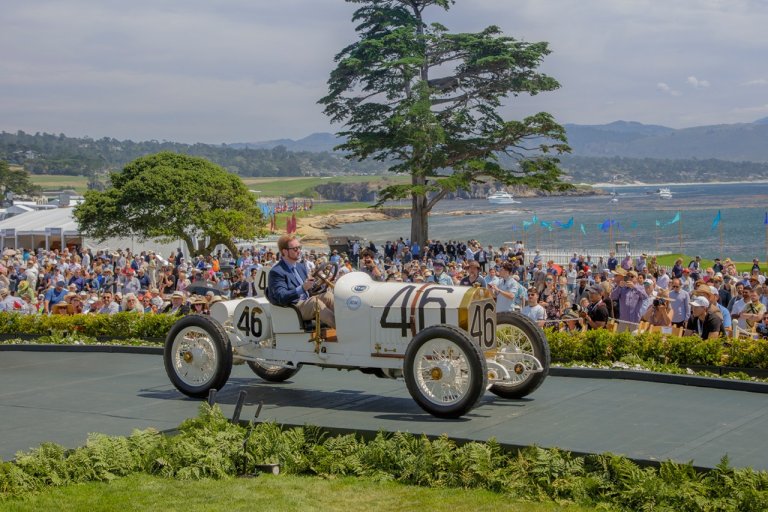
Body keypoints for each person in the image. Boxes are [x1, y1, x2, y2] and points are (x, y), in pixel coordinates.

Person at [267, 235, 335, 328]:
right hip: (293, 307)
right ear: (284, 251)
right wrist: (302, 288)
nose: (299, 251)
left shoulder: (300, 267)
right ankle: (343, 330)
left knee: (329, 296)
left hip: (306, 302)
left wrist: (318, 284)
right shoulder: (277, 272)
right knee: (315, 303)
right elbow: (281, 297)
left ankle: (348, 322)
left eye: (299, 247)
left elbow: (310, 289)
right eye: (295, 249)